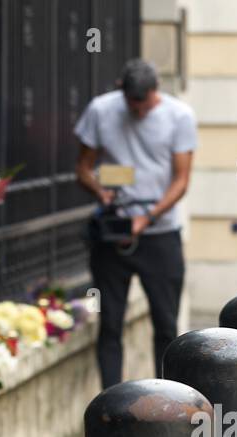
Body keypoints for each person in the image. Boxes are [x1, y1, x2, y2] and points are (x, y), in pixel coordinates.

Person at [75, 58, 196, 389]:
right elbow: (83, 167)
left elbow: (182, 179)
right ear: (122, 93)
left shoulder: (179, 116)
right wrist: (100, 192)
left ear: (156, 92)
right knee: (110, 323)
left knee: (166, 324)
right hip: (113, 232)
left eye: (144, 104)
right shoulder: (101, 110)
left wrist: (150, 216)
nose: (139, 111)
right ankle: (110, 403)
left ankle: (169, 400)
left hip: (160, 234)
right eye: (132, 104)